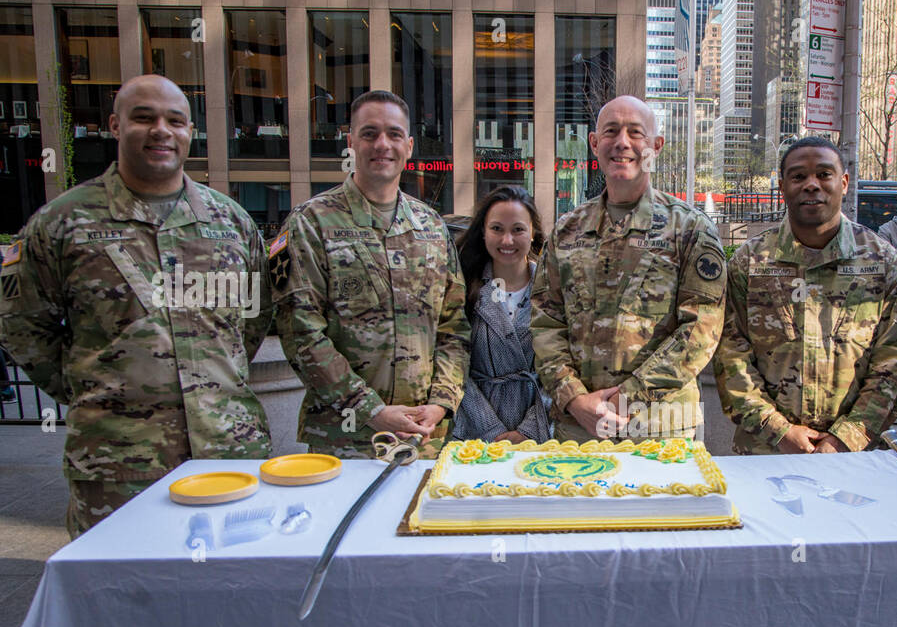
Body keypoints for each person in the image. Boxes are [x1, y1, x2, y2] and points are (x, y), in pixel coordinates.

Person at [0, 74, 273, 536]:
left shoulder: (231, 222)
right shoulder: (63, 222)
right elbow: (24, 326)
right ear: (114, 124)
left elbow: (253, 317)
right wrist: (95, 386)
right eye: (143, 118)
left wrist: (211, 378)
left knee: (229, 590)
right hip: (117, 462)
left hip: (228, 450)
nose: (161, 131)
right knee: (117, 593)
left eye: (175, 120)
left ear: (190, 131)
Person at [272, 90, 469, 458]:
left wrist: (441, 403)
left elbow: (453, 327)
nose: (383, 144)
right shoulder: (311, 223)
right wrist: (370, 410)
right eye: (369, 133)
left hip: (425, 438)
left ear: (409, 146)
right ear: (351, 142)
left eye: (394, 134)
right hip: (345, 439)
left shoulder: (431, 226)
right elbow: (301, 334)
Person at [531, 95, 725, 442]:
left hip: (663, 428)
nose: (622, 142)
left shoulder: (690, 229)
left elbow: (701, 330)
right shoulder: (567, 230)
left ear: (656, 146)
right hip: (580, 427)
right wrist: (573, 397)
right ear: (594, 143)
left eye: (636, 133)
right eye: (611, 132)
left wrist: (626, 398)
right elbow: (546, 321)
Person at [714, 136, 897, 454]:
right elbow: (730, 359)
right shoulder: (749, 263)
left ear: (844, 182)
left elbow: (894, 362)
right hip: (765, 452)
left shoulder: (882, 262)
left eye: (823, 174)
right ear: (782, 186)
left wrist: (845, 438)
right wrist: (779, 431)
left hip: (854, 457)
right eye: (798, 176)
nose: (811, 185)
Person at [452, 186, 551, 443]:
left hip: (540, 429)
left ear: (533, 234)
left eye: (518, 229)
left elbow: (562, 364)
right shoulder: (463, 289)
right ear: (483, 233)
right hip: (475, 431)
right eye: (497, 229)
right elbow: (453, 366)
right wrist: (491, 430)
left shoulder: (552, 290)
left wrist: (529, 430)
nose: (507, 240)